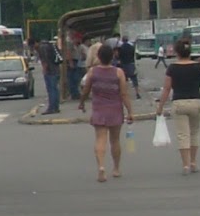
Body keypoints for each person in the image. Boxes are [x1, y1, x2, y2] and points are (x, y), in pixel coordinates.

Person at [156, 37, 200, 174]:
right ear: (190, 52)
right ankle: (193, 162)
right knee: (194, 133)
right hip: (195, 101)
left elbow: (167, 89)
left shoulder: (172, 68)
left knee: (183, 135)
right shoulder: (198, 66)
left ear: (176, 52)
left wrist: (160, 106)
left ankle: (185, 165)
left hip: (179, 102)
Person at [77, 43, 136, 182]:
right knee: (115, 140)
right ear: (112, 57)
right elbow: (124, 94)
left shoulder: (92, 72)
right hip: (115, 109)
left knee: (100, 139)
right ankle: (116, 168)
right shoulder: (119, 72)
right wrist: (130, 111)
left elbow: (86, 90)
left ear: (98, 57)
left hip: (99, 109)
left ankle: (101, 167)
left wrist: (82, 102)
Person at [36, 38, 63, 114]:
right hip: (56, 69)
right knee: (55, 89)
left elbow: (45, 60)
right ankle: (56, 107)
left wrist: (44, 70)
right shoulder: (50, 45)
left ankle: (51, 108)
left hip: (50, 71)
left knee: (51, 90)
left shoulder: (42, 48)